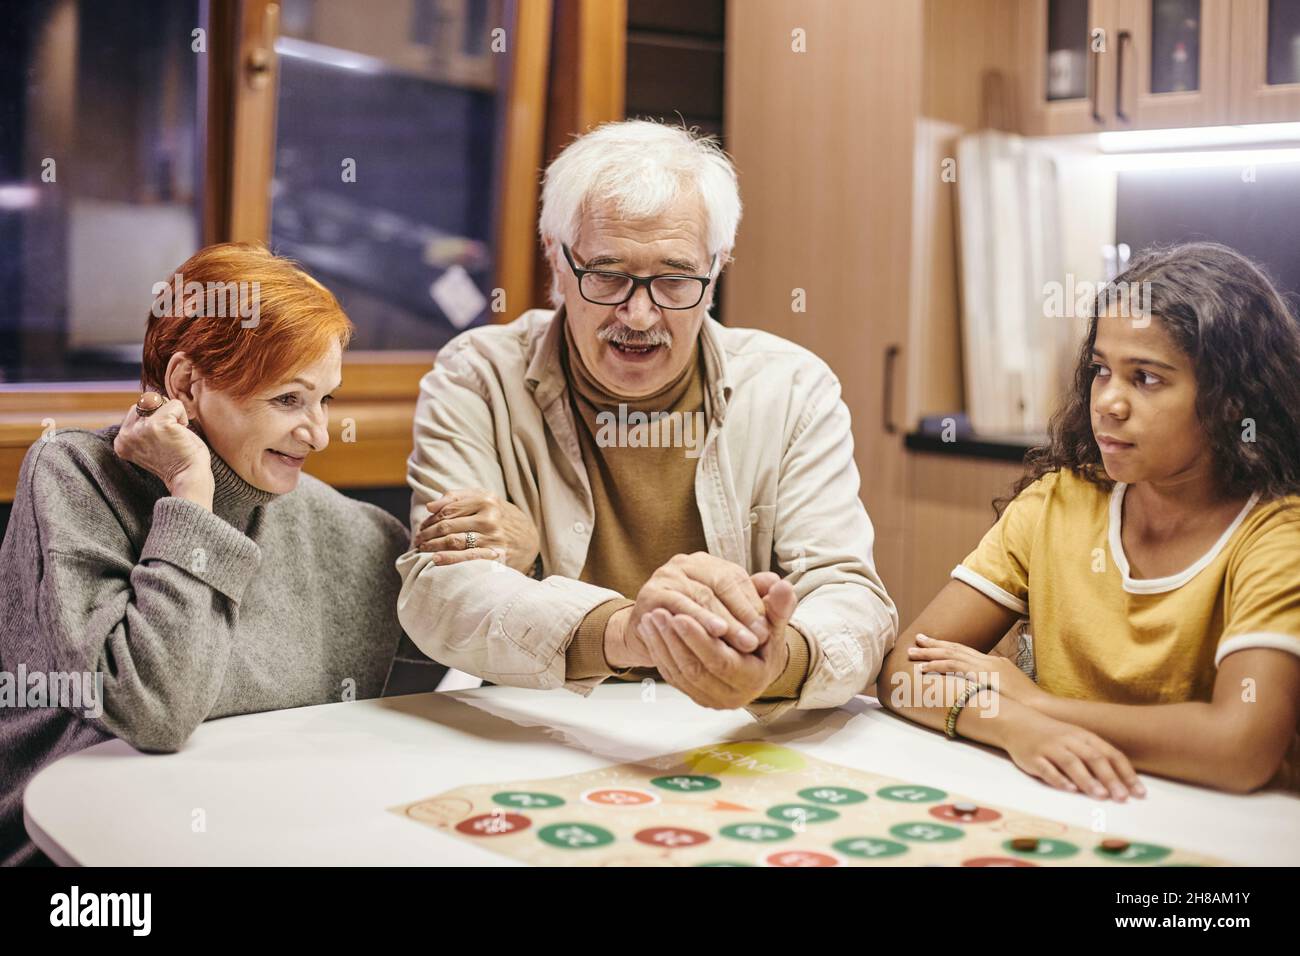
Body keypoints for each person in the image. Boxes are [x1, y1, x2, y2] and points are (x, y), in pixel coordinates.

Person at [394, 120, 897, 718]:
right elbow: (440, 594)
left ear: (716, 269)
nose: (638, 314)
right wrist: (629, 631)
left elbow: (853, 597)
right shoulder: (477, 377)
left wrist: (776, 659)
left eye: (675, 278)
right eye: (607, 274)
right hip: (543, 723)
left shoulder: (792, 389)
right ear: (557, 259)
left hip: (733, 731)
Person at [0, 243, 413, 865]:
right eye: (288, 400)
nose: (320, 434)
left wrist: (499, 550)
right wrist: (192, 497)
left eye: (326, 399)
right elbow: (152, 712)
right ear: (188, 384)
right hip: (80, 853)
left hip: (261, 840)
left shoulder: (348, 528)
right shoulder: (73, 475)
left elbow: (460, 649)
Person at [879, 242, 1300, 796]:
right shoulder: (1058, 502)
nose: (1108, 402)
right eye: (1102, 371)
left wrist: (1037, 704)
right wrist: (1016, 727)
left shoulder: (1276, 534)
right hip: (1065, 801)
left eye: (1146, 378)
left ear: (1230, 402)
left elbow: (1238, 748)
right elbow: (902, 676)